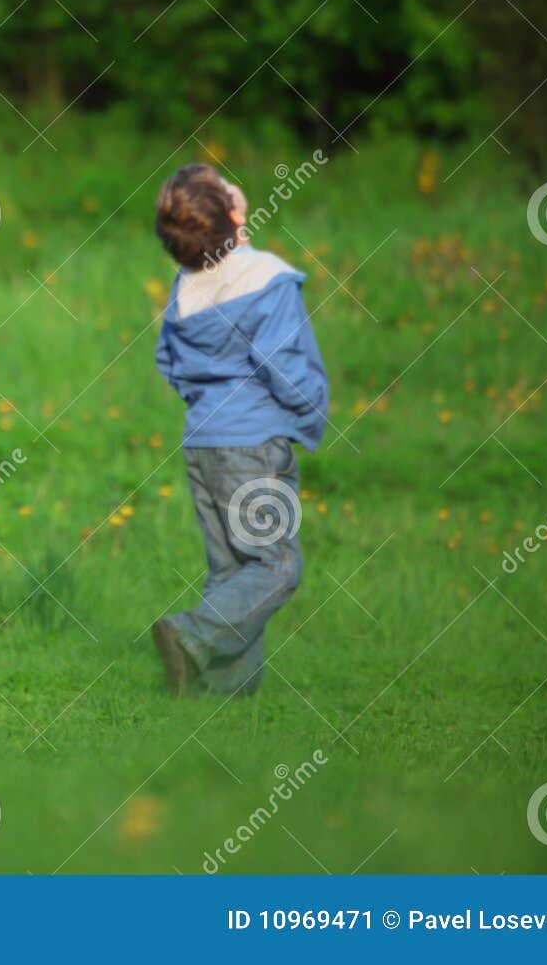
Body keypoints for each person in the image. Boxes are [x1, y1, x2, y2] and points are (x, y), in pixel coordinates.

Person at [150, 164, 328, 696]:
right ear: (232, 213)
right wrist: (308, 413)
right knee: (276, 566)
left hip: (202, 441)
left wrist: (208, 405)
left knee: (231, 571)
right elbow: (284, 361)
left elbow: (169, 359)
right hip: (253, 445)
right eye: (227, 185)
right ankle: (192, 636)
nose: (234, 183)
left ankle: (221, 696)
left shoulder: (187, 288)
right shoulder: (264, 278)